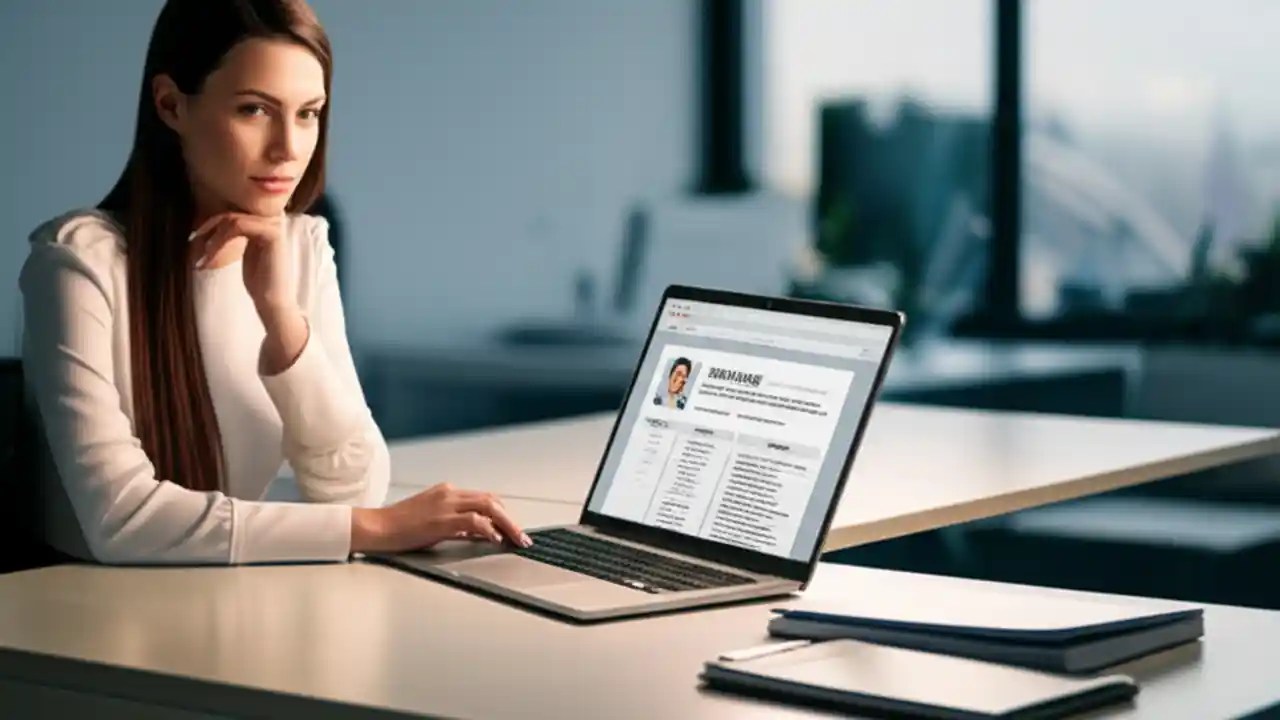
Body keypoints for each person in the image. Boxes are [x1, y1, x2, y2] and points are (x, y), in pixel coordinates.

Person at [18, 0, 530, 565]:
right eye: (255, 110)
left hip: (233, 594)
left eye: (308, 113)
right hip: (87, 606)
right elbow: (121, 518)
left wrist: (282, 319)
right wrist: (377, 528)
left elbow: (353, 487)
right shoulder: (77, 263)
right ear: (170, 105)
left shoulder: (301, 245)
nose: (288, 147)